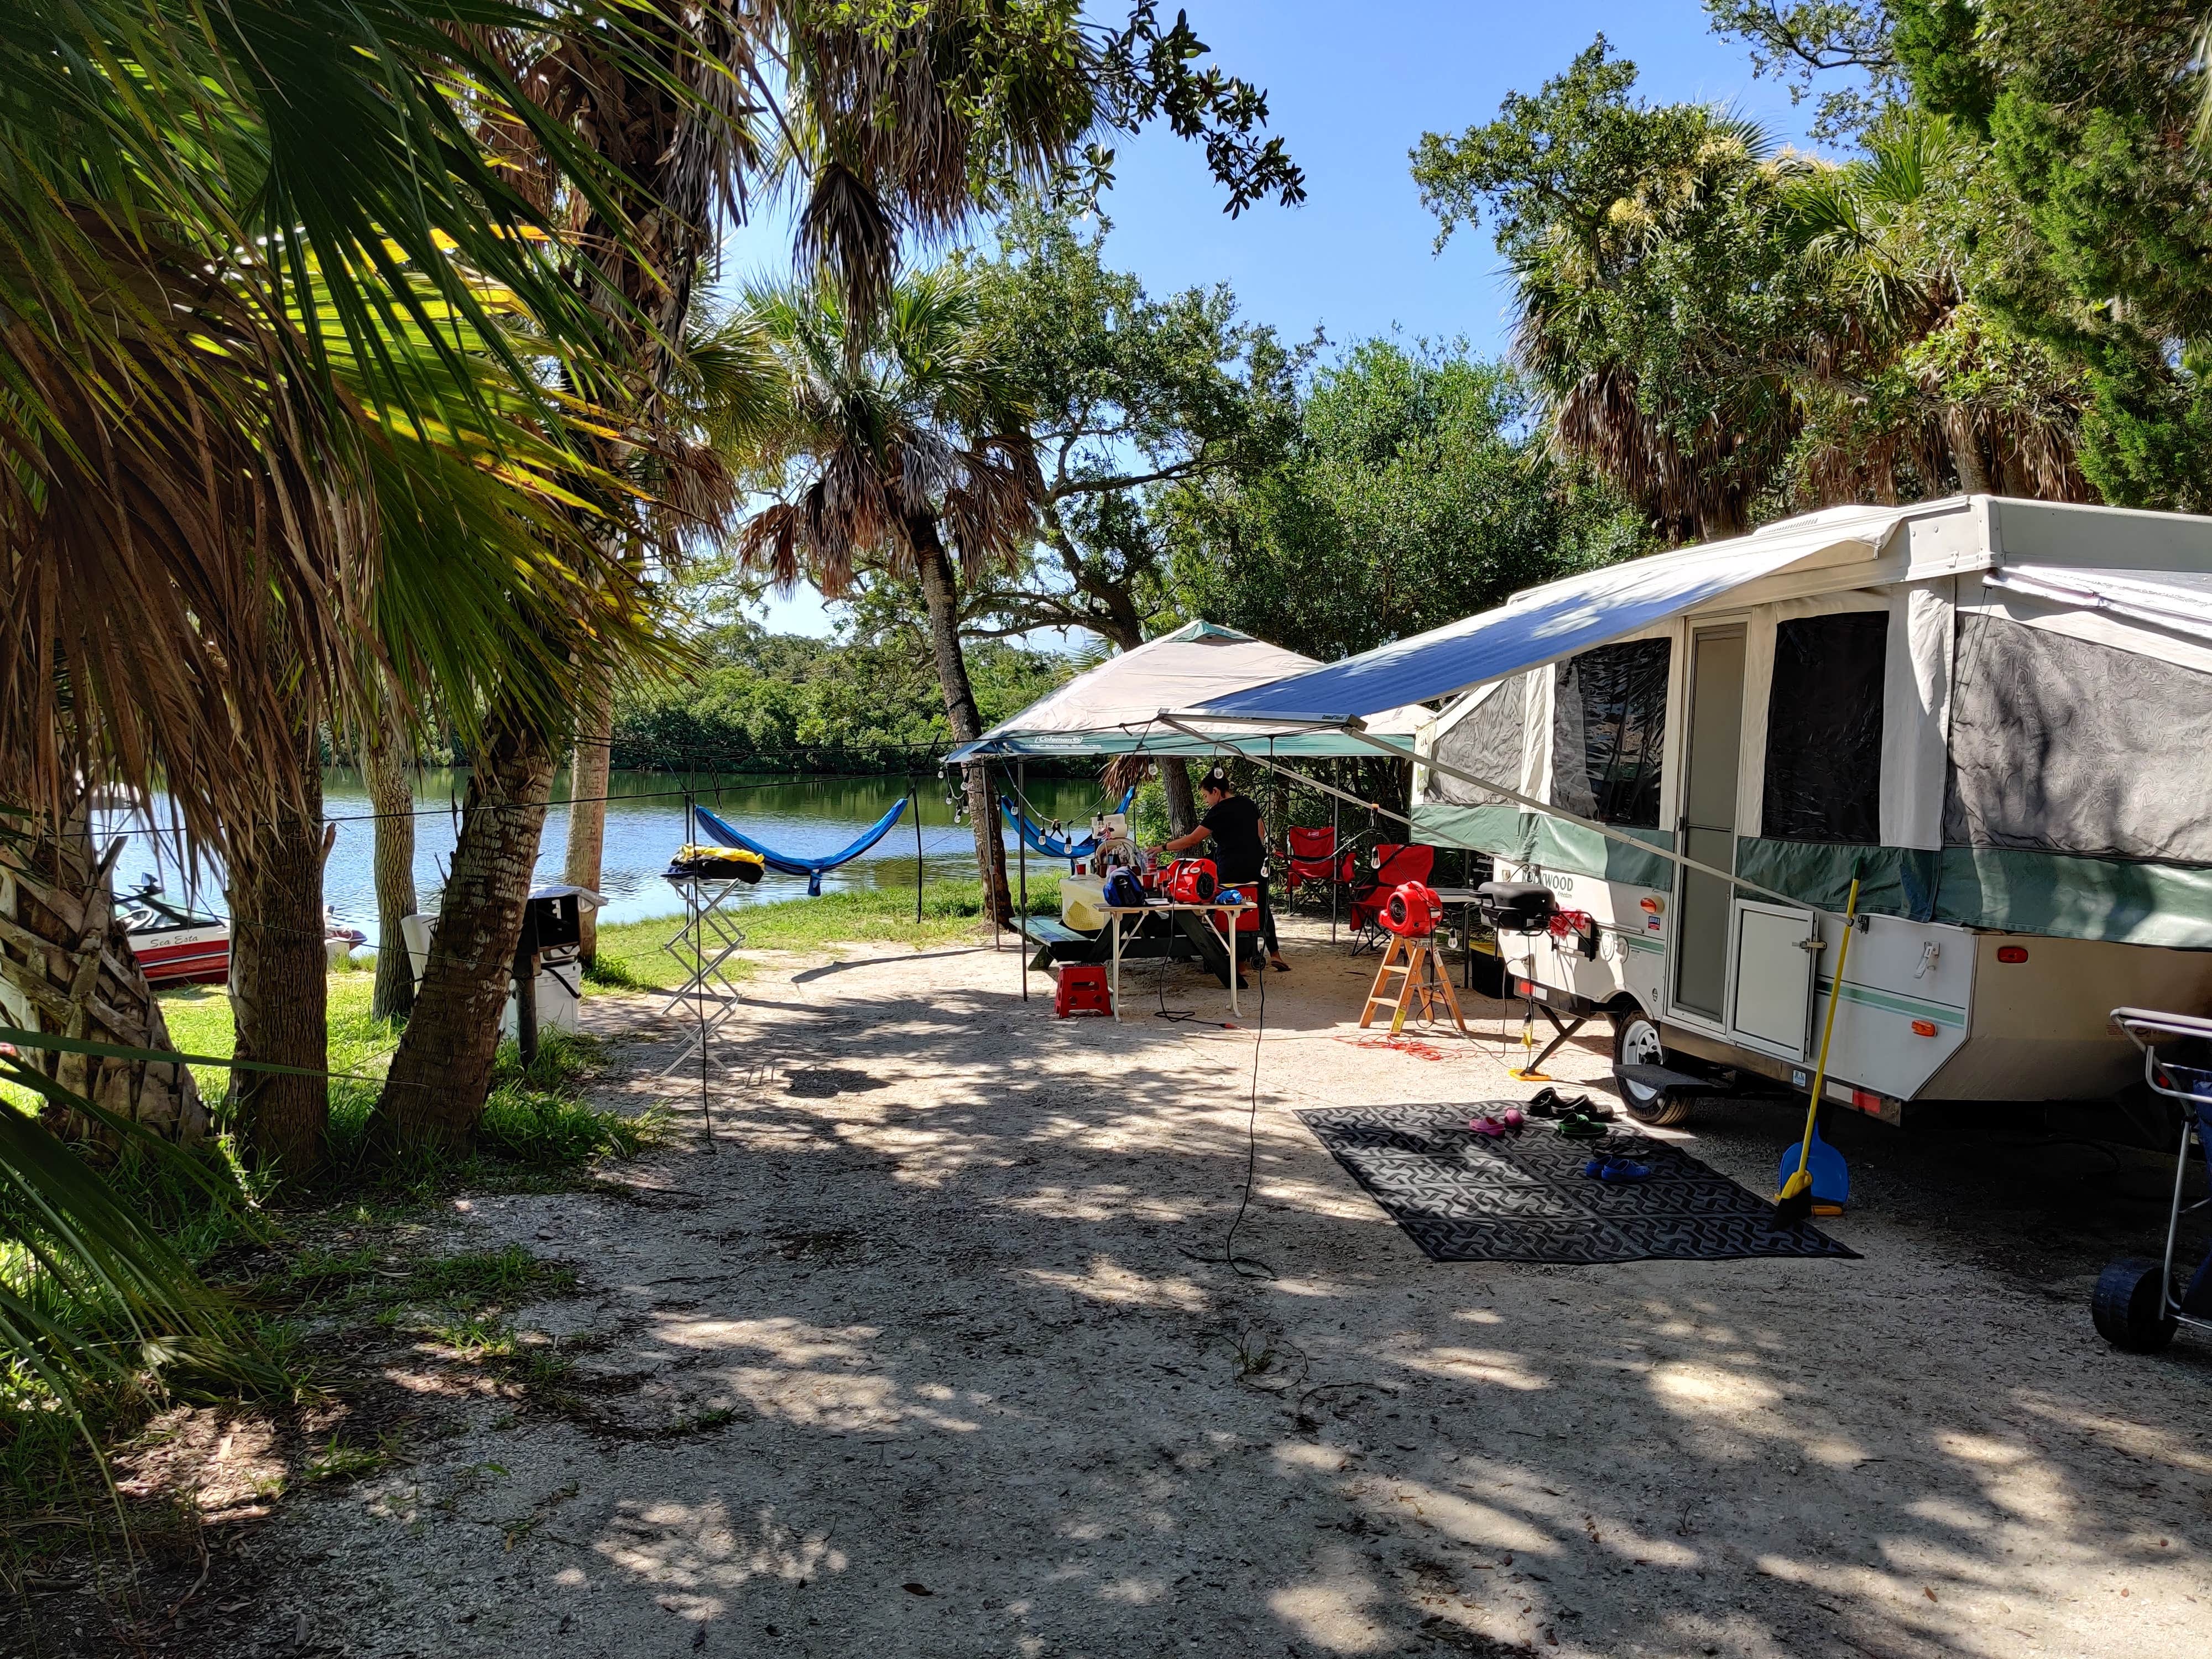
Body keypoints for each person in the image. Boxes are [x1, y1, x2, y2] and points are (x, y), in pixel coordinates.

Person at [1158, 768, 1288, 973]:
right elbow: (1261, 832)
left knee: (1230, 909)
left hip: (1231, 867)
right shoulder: (1248, 803)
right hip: (1257, 863)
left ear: (1216, 791)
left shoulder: (1217, 812)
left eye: (1205, 796)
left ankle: (1239, 963)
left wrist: (1163, 847)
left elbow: (1193, 839)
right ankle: (1275, 954)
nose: (1206, 800)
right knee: (1262, 906)